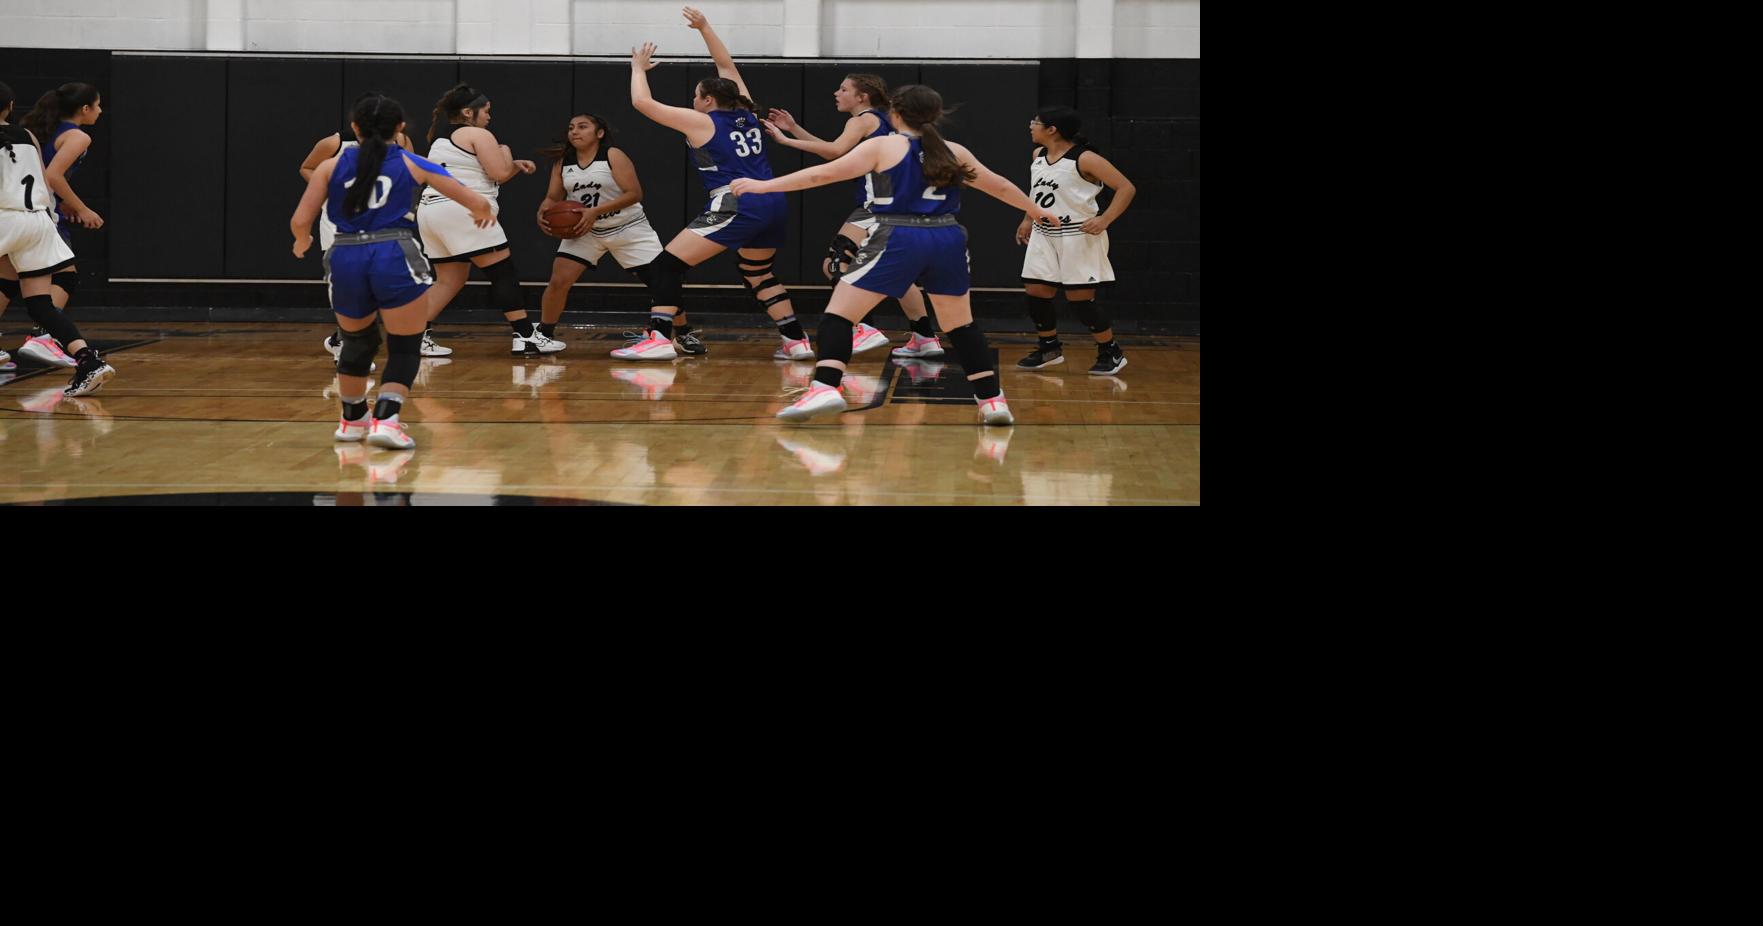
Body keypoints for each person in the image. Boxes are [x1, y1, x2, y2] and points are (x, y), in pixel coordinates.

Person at [732, 85, 1057, 426]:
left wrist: (763, 185)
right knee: (960, 325)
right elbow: (1000, 185)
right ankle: (992, 401)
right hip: (947, 236)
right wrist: (1034, 210)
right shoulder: (953, 150)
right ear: (934, 114)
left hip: (899, 233)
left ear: (895, 113)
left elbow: (820, 174)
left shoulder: (883, 145)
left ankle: (825, 387)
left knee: (839, 316)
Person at [290, 94, 495, 449]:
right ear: (399, 128)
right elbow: (473, 199)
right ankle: (386, 419)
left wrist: (301, 240)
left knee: (357, 342)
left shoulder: (330, 166)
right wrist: (481, 211)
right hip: (393, 251)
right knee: (403, 345)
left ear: (355, 128)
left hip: (345, 255)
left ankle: (353, 420)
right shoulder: (412, 162)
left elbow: (300, 220)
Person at [614, 7, 808, 362]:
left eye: (695, 96)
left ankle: (658, 337)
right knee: (758, 271)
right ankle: (796, 341)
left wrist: (637, 69)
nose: (692, 101)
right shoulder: (748, 112)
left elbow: (642, 102)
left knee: (667, 266)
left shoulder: (702, 121)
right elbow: (727, 68)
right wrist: (705, 28)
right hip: (772, 200)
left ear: (706, 100)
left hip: (737, 200)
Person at [1013, 106, 1137, 375]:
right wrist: (1027, 218)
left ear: (1052, 129)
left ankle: (1110, 351)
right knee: (1036, 292)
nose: (1030, 126)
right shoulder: (1038, 155)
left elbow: (1126, 187)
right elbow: (1037, 191)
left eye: (1035, 122)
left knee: (1079, 299)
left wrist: (1105, 219)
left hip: (1077, 235)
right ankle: (1049, 348)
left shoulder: (1085, 159)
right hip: (1045, 234)